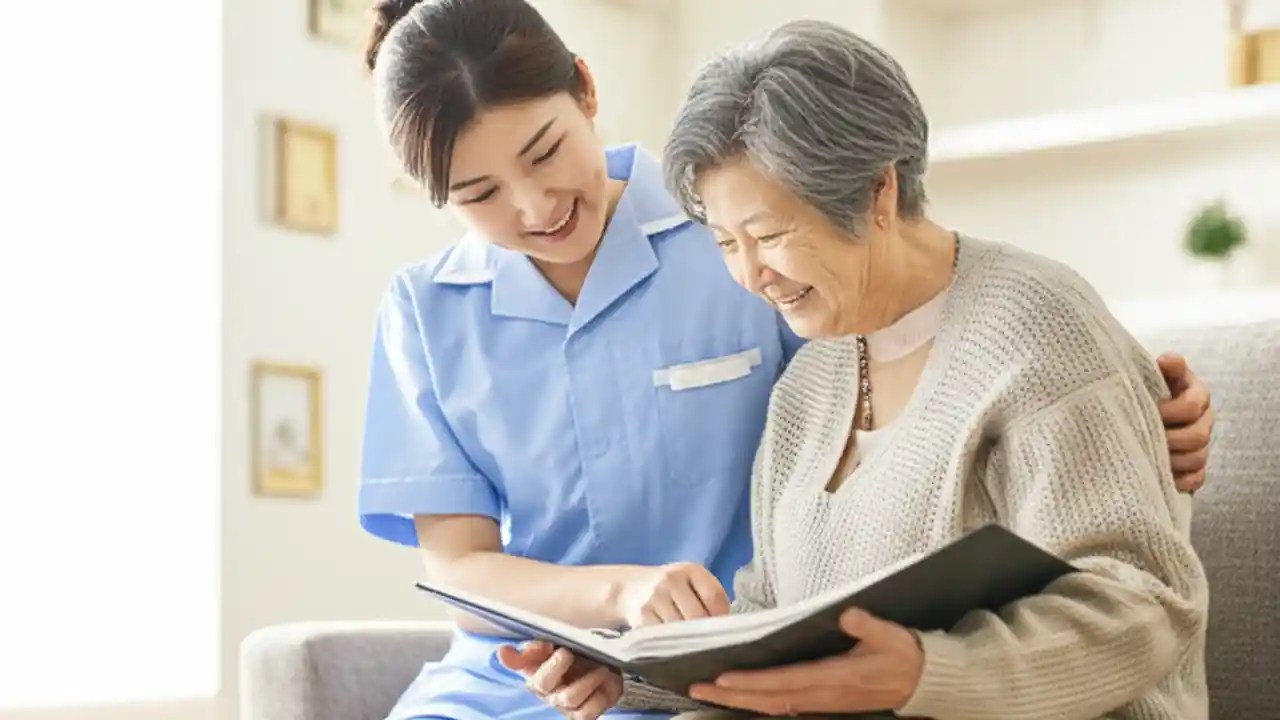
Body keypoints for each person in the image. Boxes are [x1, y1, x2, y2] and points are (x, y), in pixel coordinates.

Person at [357, 2, 1215, 719]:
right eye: (476, 195)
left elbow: (1133, 575)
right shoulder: (813, 376)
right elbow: (772, 616)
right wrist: (637, 668)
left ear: (585, 88)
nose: (747, 275)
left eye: (764, 237)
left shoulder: (992, 317)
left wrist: (1139, 405)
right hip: (628, 674)